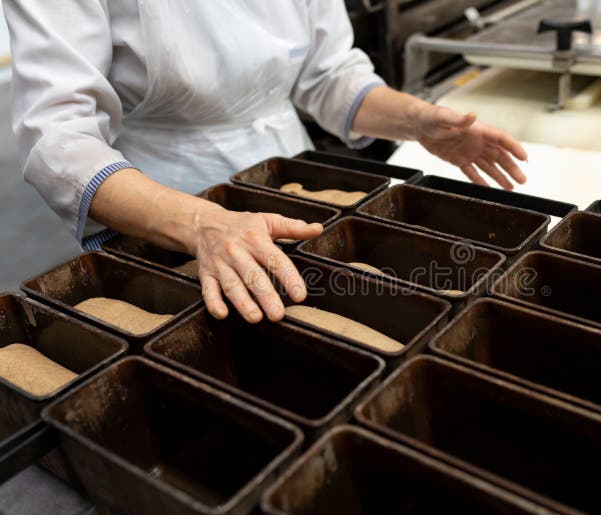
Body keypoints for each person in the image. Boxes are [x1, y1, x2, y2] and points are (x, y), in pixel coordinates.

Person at [4, 1, 528, 324]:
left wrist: (417, 121)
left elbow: (329, 75)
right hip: (162, 204)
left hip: (286, 177)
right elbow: (56, 140)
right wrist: (202, 222)